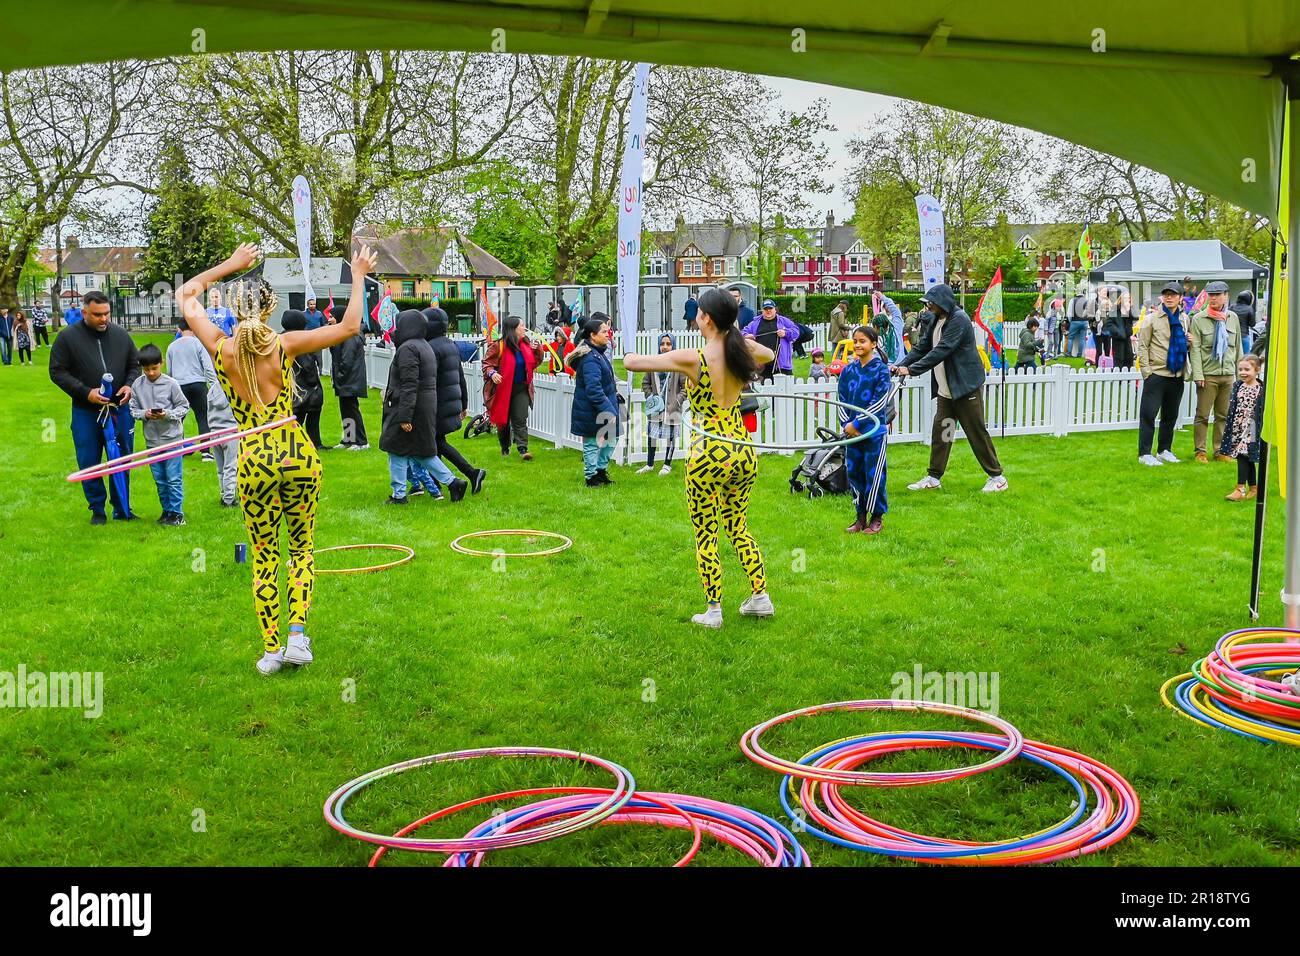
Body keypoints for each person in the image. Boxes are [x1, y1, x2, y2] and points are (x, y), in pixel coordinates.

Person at [177, 242, 377, 675]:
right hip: (296, 454)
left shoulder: (220, 347)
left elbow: (186, 296)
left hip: (256, 460)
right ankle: (298, 641)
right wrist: (357, 274)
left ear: (234, 309)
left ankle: (271, 652)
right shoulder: (283, 345)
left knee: (266, 555)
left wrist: (230, 264)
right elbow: (348, 326)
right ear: (268, 308)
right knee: (301, 550)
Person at [625, 288, 775, 628]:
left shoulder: (694, 357)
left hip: (709, 453)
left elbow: (633, 363)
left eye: (697, 311)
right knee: (738, 526)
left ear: (705, 318)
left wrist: (630, 345)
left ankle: (713, 610)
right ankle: (760, 596)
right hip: (741, 448)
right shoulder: (742, 348)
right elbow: (766, 352)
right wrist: (738, 338)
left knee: (706, 533)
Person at [895, 283, 1007, 493]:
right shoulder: (937, 319)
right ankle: (934, 477)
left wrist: (912, 371)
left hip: (964, 388)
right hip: (946, 391)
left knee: (976, 432)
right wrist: (901, 365)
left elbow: (943, 350)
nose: (927, 307)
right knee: (943, 432)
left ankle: (997, 476)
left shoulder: (959, 320)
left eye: (931, 303)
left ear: (943, 302)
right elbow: (922, 347)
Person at [48, 290, 141, 524]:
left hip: (118, 409)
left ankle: (122, 507)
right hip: (86, 411)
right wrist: (85, 392)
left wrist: (129, 386)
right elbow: (57, 371)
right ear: (84, 312)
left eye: (107, 313)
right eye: (97, 314)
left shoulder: (121, 335)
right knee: (89, 459)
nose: (104, 319)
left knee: (121, 458)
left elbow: (134, 365)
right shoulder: (68, 337)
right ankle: (97, 509)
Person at [379, 309, 468, 505]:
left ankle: (399, 495)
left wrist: (404, 416)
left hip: (410, 408)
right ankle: (453, 482)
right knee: (420, 451)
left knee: (397, 449)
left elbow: (410, 385)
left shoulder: (408, 349)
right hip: (424, 406)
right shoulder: (424, 346)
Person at [422, 307, 487, 493]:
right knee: (436, 442)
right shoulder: (450, 345)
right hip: (451, 401)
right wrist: (464, 403)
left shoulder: (431, 348)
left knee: (436, 443)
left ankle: (472, 473)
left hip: (437, 403)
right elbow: (460, 376)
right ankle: (437, 483)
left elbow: (430, 381)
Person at [839, 324, 893, 535]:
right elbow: (841, 400)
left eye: (863, 341)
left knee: (874, 474)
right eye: (856, 341)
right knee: (855, 473)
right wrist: (847, 426)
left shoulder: (880, 370)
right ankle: (860, 516)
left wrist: (858, 424)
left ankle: (876, 517)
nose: (858, 345)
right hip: (852, 434)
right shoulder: (848, 370)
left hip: (873, 433)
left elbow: (878, 402)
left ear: (873, 344)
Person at [128, 343, 190, 525]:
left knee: (173, 478)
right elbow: (133, 410)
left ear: (161, 363)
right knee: (160, 480)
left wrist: (167, 414)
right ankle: (166, 511)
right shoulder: (137, 385)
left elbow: (184, 406)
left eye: (154, 368)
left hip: (172, 439)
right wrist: (145, 414)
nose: (151, 373)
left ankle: (177, 514)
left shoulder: (171, 384)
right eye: (146, 369)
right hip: (152, 441)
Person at [1136, 281, 1192, 466]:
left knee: (1170, 415)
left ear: (1180, 298)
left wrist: (1189, 341)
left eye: (1173, 294)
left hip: (1176, 374)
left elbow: (1184, 344)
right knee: (1149, 414)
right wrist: (1147, 372)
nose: (1169, 297)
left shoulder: (1185, 319)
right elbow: (1142, 345)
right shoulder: (1151, 319)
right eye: (1166, 294)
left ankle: (1164, 450)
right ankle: (1144, 453)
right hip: (1157, 373)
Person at [1188, 280, 1243, 463]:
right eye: (1211, 295)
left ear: (1226, 296)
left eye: (1218, 295)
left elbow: (1238, 348)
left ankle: (1220, 451)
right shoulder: (1198, 319)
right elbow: (1194, 349)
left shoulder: (1233, 318)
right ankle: (1200, 452)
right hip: (1208, 375)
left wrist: (1240, 375)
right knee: (1202, 415)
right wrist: (1198, 374)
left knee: (1224, 415)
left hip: (1228, 374)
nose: (1213, 298)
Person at [568, 314, 621, 486]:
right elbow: (593, 389)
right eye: (604, 331)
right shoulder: (591, 358)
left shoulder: (598, 353)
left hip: (602, 406)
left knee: (611, 439)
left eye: (608, 331)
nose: (608, 334)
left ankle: (600, 471)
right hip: (591, 409)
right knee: (592, 442)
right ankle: (591, 477)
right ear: (592, 335)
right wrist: (609, 409)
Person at [483, 315, 545, 460]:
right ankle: (505, 447)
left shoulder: (526, 344)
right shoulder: (499, 346)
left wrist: (537, 350)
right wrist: (492, 373)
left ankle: (523, 449)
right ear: (513, 330)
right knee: (503, 420)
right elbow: (487, 363)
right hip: (502, 390)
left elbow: (534, 363)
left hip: (521, 388)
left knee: (520, 418)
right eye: (521, 326)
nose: (524, 328)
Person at [638, 331, 687, 477]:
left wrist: (677, 401)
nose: (665, 347)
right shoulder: (653, 363)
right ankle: (650, 464)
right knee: (652, 435)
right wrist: (651, 397)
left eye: (668, 344)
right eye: (662, 344)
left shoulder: (678, 365)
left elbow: (685, 388)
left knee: (671, 436)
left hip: (672, 407)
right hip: (656, 407)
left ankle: (667, 464)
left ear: (673, 346)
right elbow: (645, 383)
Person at [167, 317, 217, 457]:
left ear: (179, 329)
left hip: (179, 386)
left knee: (178, 419)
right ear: (194, 329)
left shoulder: (172, 347)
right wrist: (214, 385)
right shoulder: (199, 344)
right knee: (203, 417)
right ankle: (206, 452)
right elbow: (207, 367)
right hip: (198, 384)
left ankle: (181, 448)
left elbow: (169, 372)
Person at [279, 310, 326, 449]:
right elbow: (306, 365)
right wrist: (313, 379)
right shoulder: (298, 340)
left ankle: (300, 443)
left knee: (295, 418)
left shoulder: (280, 338)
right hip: (304, 387)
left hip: (289, 385)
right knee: (307, 417)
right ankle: (312, 443)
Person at [1221, 355, 1265, 501]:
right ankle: (1254, 488)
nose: (1243, 372)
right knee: (1247, 456)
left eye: (1247, 369)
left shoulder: (1261, 389)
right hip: (1238, 427)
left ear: (1257, 370)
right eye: (1240, 369)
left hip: (1251, 428)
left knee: (1242, 454)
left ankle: (1240, 489)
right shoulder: (1238, 385)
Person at [328, 303, 370, 450]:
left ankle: (361, 441)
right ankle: (349, 438)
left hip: (350, 379)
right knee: (346, 409)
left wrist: (339, 376)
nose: (329, 319)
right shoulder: (343, 334)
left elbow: (347, 359)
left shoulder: (350, 336)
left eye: (331, 316)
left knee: (352, 409)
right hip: (346, 379)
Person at [204, 358, 239, 508]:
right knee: (231, 466)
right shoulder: (234, 388)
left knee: (221, 468)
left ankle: (224, 494)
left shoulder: (212, 389)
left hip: (214, 432)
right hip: (230, 432)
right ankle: (229, 498)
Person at [743, 299, 800, 381]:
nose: (768, 311)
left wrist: (785, 333)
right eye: (766, 309)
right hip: (762, 365)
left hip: (781, 364)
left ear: (775, 309)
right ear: (762, 311)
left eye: (770, 309)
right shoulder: (755, 323)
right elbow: (742, 333)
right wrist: (747, 336)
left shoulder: (784, 321)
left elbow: (796, 332)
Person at [1108, 288, 1138, 369]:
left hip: (1127, 338)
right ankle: (1118, 379)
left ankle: (1127, 379)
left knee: (1129, 357)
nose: (1127, 300)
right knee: (1119, 359)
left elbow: (1136, 318)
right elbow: (1109, 324)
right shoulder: (1114, 310)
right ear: (1121, 299)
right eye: (1125, 298)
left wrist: (1129, 310)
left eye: (1128, 298)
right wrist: (1118, 332)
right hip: (1118, 339)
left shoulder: (1130, 310)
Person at [1066, 285, 1093, 358]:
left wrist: (1071, 321)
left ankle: (1068, 353)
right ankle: (1080, 354)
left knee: (1070, 338)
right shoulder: (1087, 300)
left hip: (1075, 321)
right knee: (1082, 339)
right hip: (1084, 322)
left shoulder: (1073, 300)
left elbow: (1069, 313)